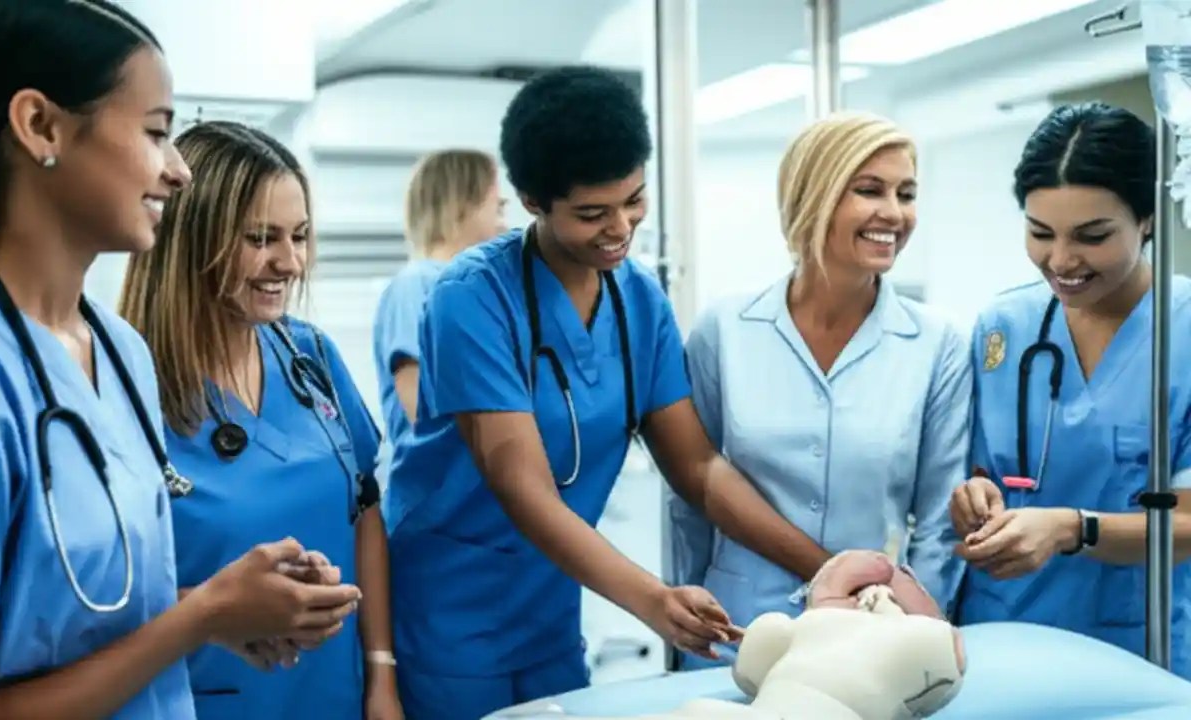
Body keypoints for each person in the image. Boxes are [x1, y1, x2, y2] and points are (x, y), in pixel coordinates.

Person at [0, 2, 358, 718]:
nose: (179, 171)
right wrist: (204, 615)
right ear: (40, 126)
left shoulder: (120, 353)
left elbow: (96, 615)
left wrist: (240, 609)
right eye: (156, 132)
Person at [382, 65, 835, 720]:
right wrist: (653, 600)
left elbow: (699, 469)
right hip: (452, 611)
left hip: (552, 606)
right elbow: (524, 488)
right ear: (534, 202)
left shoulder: (638, 298)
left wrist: (823, 566)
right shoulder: (471, 298)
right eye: (592, 213)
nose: (621, 228)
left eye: (635, 200)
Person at [118, 121, 402, 719]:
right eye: (260, 238)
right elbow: (92, 601)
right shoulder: (124, 386)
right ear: (192, 239)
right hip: (208, 700)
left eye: (299, 236)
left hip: (336, 694)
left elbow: (365, 509)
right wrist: (218, 609)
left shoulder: (311, 356)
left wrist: (381, 673)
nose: (290, 262)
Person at [670, 112, 971, 669]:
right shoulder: (726, 330)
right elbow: (689, 496)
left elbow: (938, 519)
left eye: (906, 193)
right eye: (869, 190)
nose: (895, 213)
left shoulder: (937, 343)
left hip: (871, 637)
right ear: (815, 196)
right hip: (735, 628)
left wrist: (914, 633)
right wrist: (680, 618)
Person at [949, 102, 1191, 678]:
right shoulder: (1002, 328)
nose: (1060, 261)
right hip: (1000, 640)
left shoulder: (1180, 330)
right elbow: (986, 469)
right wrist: (974, 497)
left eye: (1092, 236)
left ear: (1148, 218)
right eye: (1040, 233)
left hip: (1141, 653)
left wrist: (1071, 529)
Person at [373, 148, 507, 450]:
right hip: (440, 490)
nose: (504, 224)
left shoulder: (482, 292)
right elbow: (422, 410)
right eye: (496, 209)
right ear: (460, 207)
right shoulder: (416, 286)